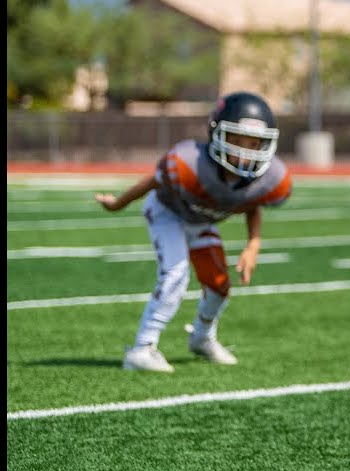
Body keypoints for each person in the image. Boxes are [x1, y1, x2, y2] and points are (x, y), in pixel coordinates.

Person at [94, 92, 292, 373]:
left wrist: (253, 245)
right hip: (168, 213)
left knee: (219, 286)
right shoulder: (190, 163)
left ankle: (202, 337)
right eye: (237, 140)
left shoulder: (269, 178)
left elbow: (252, 202)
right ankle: (141, 348)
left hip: (199, 221)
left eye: (253, 143)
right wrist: (117, 204)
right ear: (217, 134)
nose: (245, 151)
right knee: (176, 274)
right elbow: (153, 181)